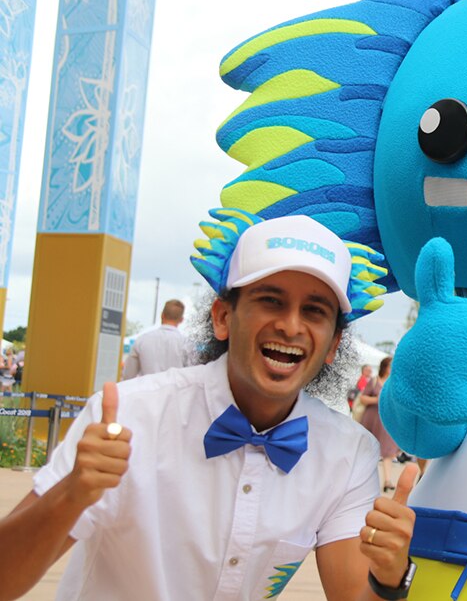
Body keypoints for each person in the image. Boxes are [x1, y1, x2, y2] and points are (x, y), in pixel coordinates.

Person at [0, 216, 418, 600]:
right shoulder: (130, 416)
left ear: (333, 345)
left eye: (314, 311)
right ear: (222, 317)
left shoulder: (347, 454)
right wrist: (70, 495)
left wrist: (391, 576)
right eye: (271, 300)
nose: (291, 325)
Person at [360, 356, 401, 492]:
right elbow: (362, 398)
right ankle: (363, 481)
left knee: (388, 451)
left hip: (387, 421)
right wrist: (377, 399)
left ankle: (387, 481)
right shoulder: (374, 381)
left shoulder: (394, 383)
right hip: (371, 419)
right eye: (390, 365)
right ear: (385, 367)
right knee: (367, 450)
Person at [121, 299, 190, 379]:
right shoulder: (186, 344)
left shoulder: (142, 340)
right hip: (175, 386)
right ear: (181, 320)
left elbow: (128, 375)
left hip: (147, 386)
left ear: (162, 315)